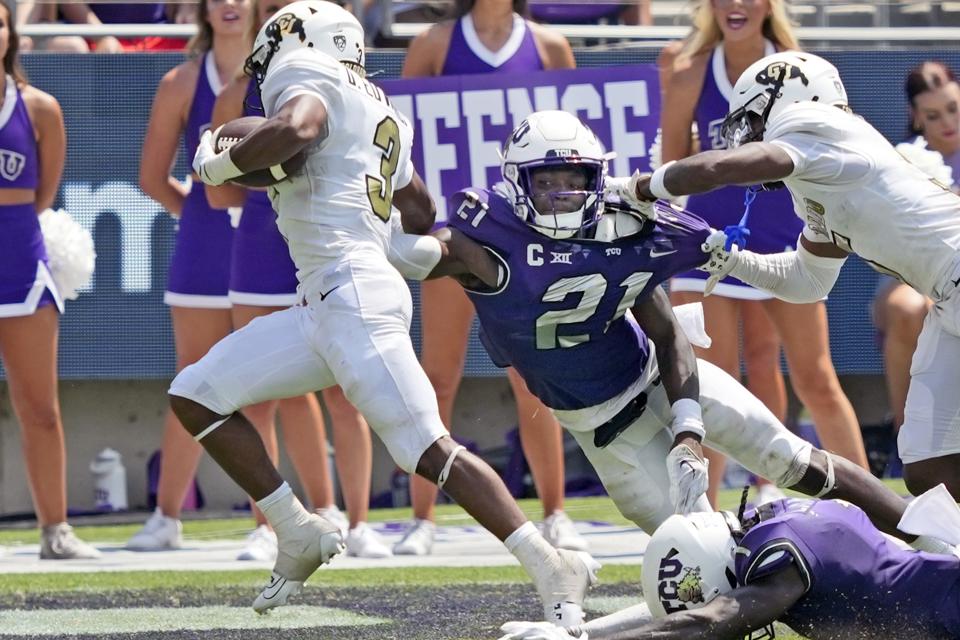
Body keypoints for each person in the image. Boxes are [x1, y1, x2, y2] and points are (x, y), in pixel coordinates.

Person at [181, 1, 598, 622]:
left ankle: (550, 563)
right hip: (326, 300)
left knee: (426, 448)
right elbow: (422, 209)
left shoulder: (306, 71)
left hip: (351, 296)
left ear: (295, 41)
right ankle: (296, 529)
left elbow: (294, 132)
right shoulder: (377, 102)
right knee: (195, 393)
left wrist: (219, 161)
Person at [424, 110, 936, 552]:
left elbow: (669, 335)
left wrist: (688, 433)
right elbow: (416, 255)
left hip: (656, 378)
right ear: (517, 182)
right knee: (703, 556)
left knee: (794, 457)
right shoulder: (486, 238)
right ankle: (804, 565)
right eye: (547, 181)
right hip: (604, 431)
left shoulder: (625, 228)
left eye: (575, 179)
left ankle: (933, 536)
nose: (563, 194)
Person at [621, 51, 960, 499]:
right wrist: (728, 259)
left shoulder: (817, 124)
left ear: (790, 98)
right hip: (947, 300)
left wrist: (642, 189)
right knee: (926, 464)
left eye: (755, 120)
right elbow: (809, 281)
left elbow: (723, 166)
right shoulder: (822, 176)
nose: (748, 135)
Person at [202, 0, 390, 561]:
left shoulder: (346, 86)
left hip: (328, 240)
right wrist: (268, 166)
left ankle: (357, 519)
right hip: (264, 244)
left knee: (344, 389)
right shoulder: (241, 87)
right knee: (254, 394)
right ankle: (272, 523)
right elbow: (216, 192)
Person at [659, 0, 866, 507]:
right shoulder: (689, 73)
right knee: (706, 386)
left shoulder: (805, 68)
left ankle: (877, 512)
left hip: (785, 241)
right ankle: (698, 522)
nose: (737, 4)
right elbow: (670, 165)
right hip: (708, 243)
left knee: (815, 377)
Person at [398, 0, 586, 557]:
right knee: (437, 377)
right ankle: (421, 518)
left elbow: (573, 145)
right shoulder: (433, 44)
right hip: (453, 235)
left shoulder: (549, 46)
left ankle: (555, 514)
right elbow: (402, 142)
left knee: (534, 379)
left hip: (524, 239)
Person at [498, 486, 960, 640]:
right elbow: (700, 606)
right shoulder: (773, 525)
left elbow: (710, 618)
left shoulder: (778, 559)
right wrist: (578, 632)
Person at [129, 0, 249, 551]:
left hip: (273, 245)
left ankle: (275, 524)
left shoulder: (286, 77)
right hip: (203, 250)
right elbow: (153, 177)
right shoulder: (180, 81)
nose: (229, 4)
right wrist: (206, 215)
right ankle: (166, 518)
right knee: (193, 382)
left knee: (280, 388)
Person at [0, 0, 99, 560]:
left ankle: (54, 531)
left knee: (40, 407)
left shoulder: (39, 108)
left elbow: (42, 197)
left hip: (20, 263)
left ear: (11, 34)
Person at [873, 61, 960, 445]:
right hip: (913, 278)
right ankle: (911, 447)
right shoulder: (904, 162)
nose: (947, 122)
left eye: (953, 109)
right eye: (933, 115)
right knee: (908, 308)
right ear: (915, 117)